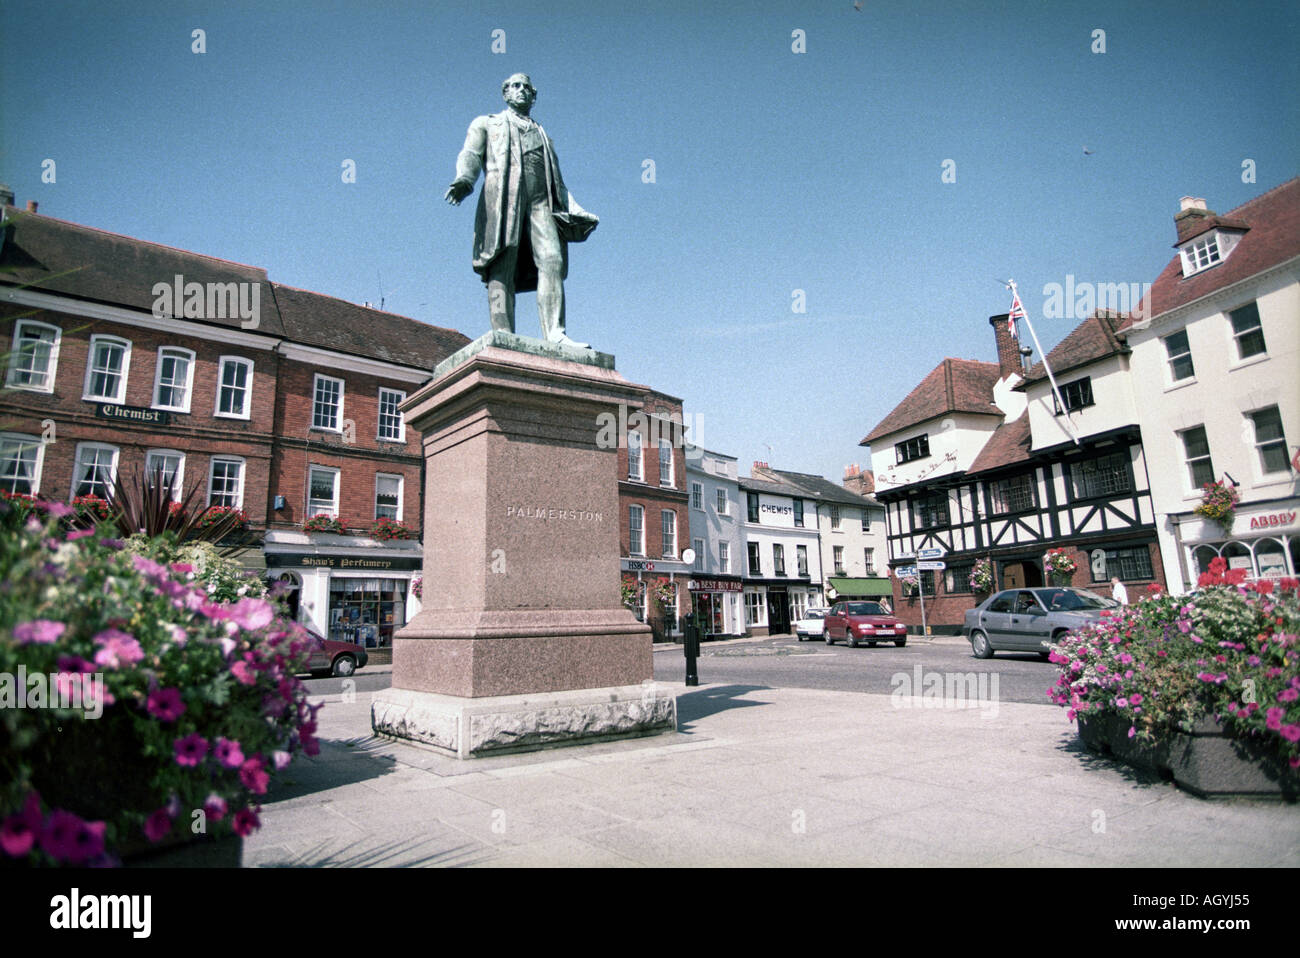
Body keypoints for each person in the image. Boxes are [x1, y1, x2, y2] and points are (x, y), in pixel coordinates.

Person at [444, 73, 597, 347]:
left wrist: (575, 208)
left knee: (553, 261)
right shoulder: (487, 123)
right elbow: (470, 153)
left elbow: (558, 182)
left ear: (534, 96)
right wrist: (464, 180)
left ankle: (555, 334)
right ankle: (503, 333)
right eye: (516, 86)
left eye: (528, 87)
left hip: (541, 205)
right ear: (505, 93)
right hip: (504, 201)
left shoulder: (543, 135)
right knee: (503, 262)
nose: (522, 90)